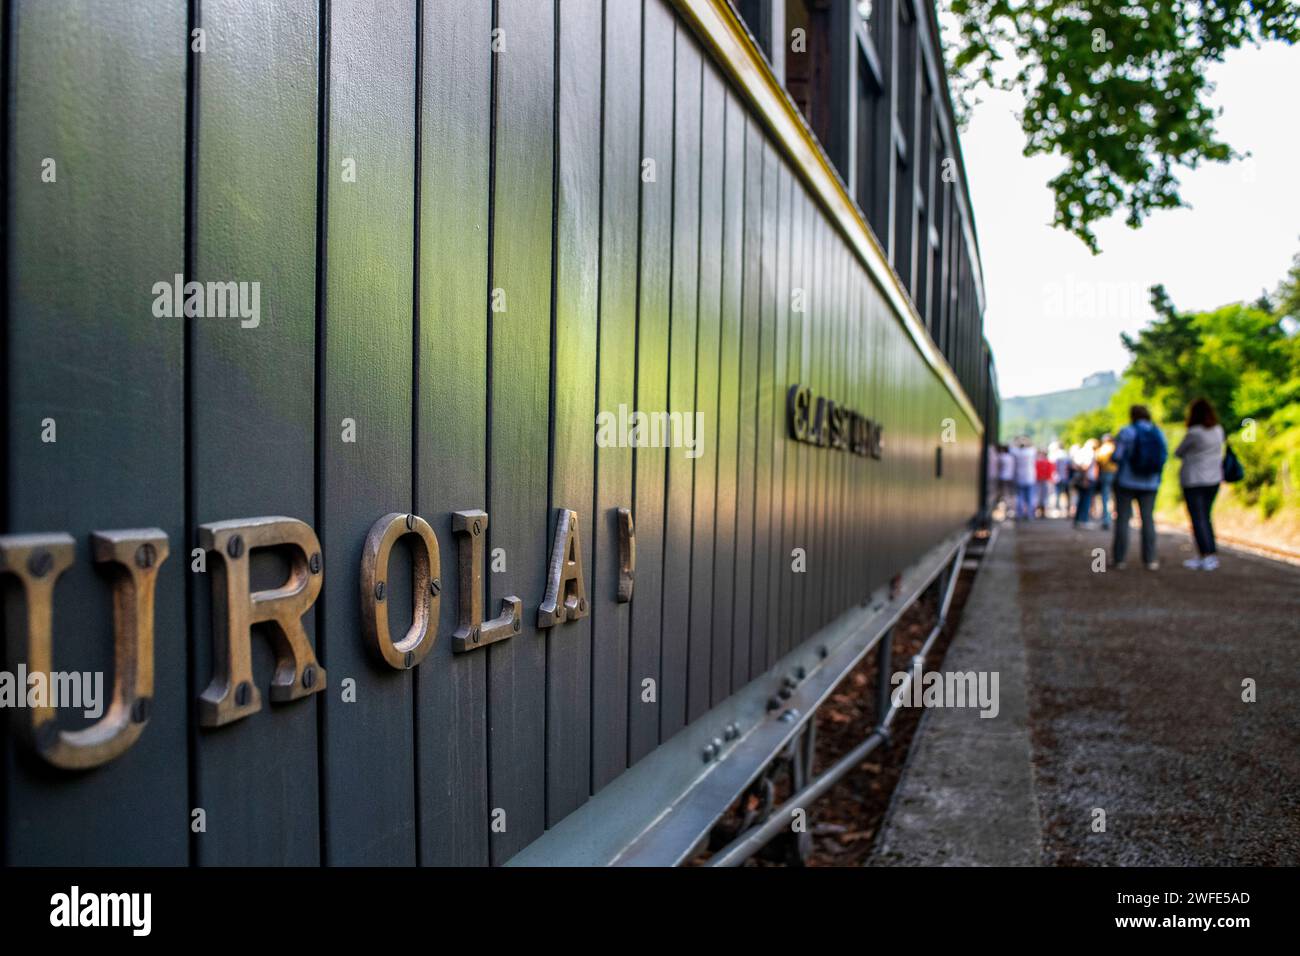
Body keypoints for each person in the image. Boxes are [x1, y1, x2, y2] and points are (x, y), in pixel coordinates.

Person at [1111, 404, 1168, 570]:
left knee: (1123, 519)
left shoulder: (1126, 431)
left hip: (1126, 481)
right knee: (1148, 519)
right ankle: (1150, 559)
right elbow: (1164, 456)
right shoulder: (1158, 432)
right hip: (1150, 483)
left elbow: (1117, 456)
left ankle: (1120, 559)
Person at [1175, 397, 1225, 570]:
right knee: (1207, 517)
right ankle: (1210, 553)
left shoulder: (1194, 433)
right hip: (1214, 479)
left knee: (1198, 518)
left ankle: (1205, 555)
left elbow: (1178, 452)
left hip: (1194, 480)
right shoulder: (1218, 430)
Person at [1071, 439, 1098, 528]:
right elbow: (1086, 466)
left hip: (1079, 478)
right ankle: (1084, 520)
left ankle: (1078, 520)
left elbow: (1074, 465)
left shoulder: (1080, 451)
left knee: (1081, 499)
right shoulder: (1090, 452)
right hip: (1086, 479)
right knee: (1086, 500)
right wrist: (1085, 479)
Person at [1095, 433, 1118, 530]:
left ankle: (1106, 520)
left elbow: (1098, 463)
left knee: (1105, 497)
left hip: (1106, 474)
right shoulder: (1115, 448)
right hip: (1117, 474)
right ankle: (1117, 518)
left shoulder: (1102, 449)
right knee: (1116, 498)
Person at [1011, 439, 1038, 519]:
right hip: (1030, 478)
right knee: (1030, 497)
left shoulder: (1017, 453)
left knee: (1020, 497)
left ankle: (1019, 514)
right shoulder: (1031, 452)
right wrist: (1027, 442)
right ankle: (1030, 515)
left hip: (1019, 477)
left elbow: (1011, 447)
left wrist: (1017, 442)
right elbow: (1033, 446)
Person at [1035, 449, 1055, 518]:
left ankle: (1041, 511)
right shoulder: (1047, 463)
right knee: (1044, 497)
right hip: (1044, 481)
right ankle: (1042, 512)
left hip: (1041, 481)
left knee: (1040, 496)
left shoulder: (1038, 462)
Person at [997, 444, 1015, 516]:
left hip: (1003, 477)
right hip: (1010, 477)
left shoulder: (1001, 457)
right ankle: (1009, 507)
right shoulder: (1011, 457)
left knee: (1004, 493)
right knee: (1009, 493)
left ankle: (1005, 507)